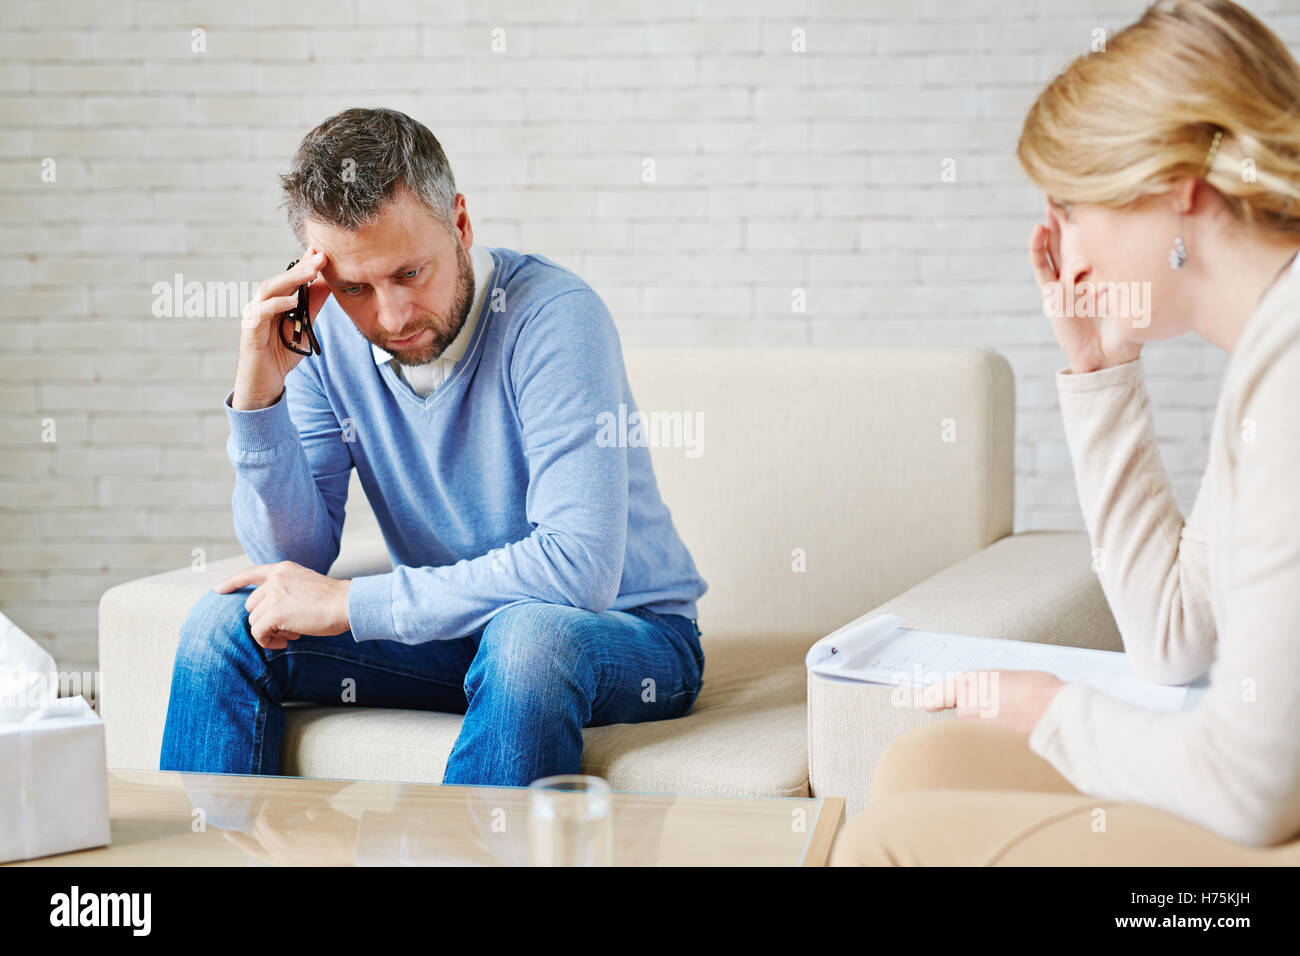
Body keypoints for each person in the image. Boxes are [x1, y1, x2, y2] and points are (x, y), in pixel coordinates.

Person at [832, 0, 1300, 864]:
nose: (1064, 253)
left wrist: (1048, 708)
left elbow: (1251, 785)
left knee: (890, 841)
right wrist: (1100, 368)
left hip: (1266, 807)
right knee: (927, 766)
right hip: (1269, 790)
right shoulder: (1268, 357)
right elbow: (1171, 638)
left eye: (1072, 208)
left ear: (1173, 183)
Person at [160, 107, 708, 787]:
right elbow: (292, 564)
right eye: (354, 288)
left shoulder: (555, 317)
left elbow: (579, 568)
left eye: (410, 274)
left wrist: (354, 604)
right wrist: (259, 399)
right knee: (224, 626)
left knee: (528, 639)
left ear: (461, 225)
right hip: (455, 635)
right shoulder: (328, 342)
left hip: (622, 634)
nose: (389, 318)